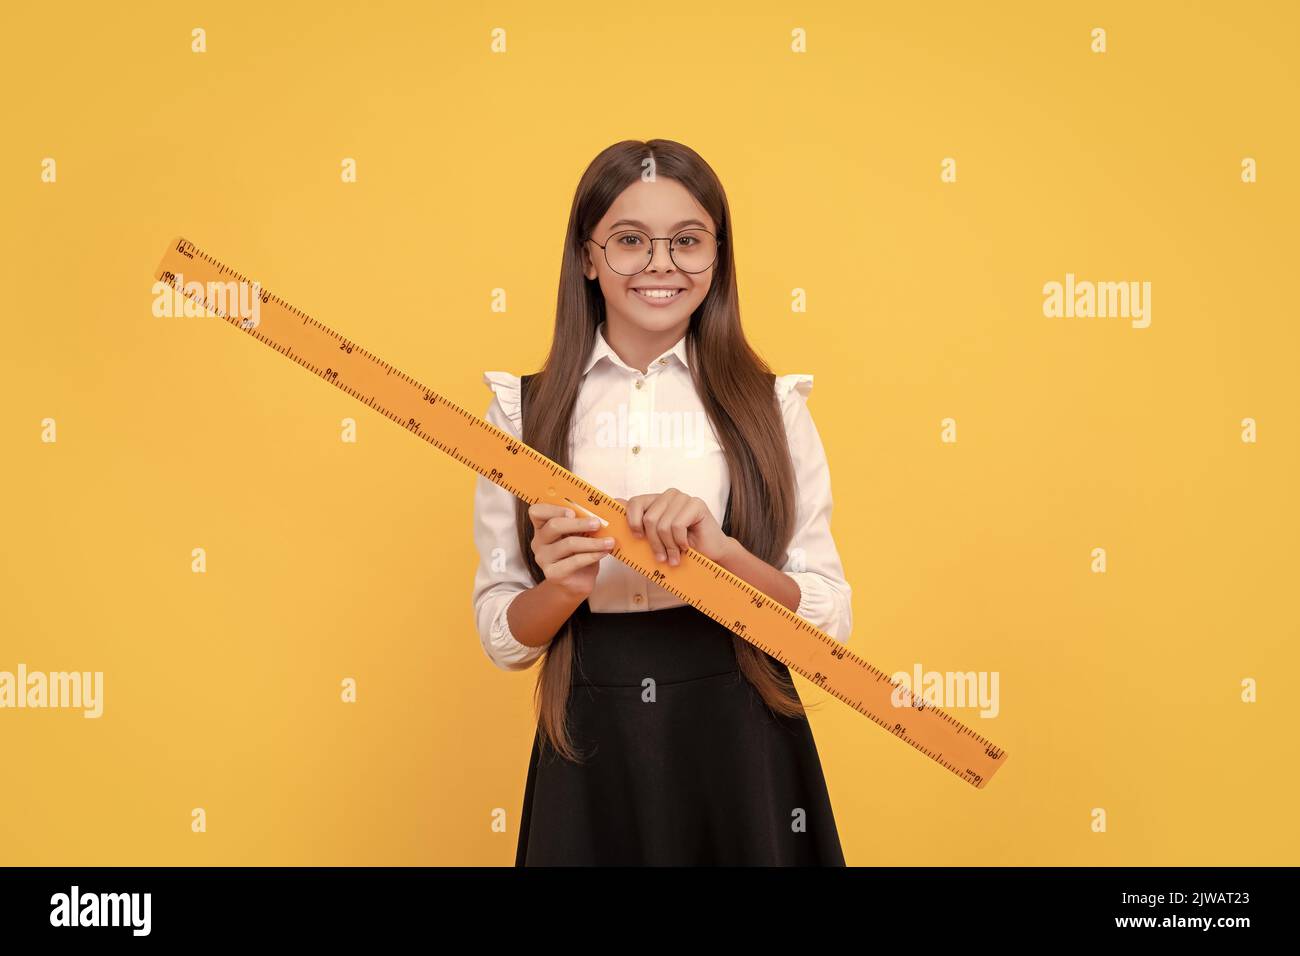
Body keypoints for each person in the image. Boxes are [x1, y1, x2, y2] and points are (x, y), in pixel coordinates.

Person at [470, 139, 853, 865]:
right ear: (587, 256)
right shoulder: (522, 414)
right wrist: (564, 586)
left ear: (718, 255)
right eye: (628, 241)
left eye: (686, 241)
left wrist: (725, 554)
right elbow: (502, 633)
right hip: (591, 736)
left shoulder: (774, 408)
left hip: (743, 732)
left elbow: (828, 617)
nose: (660, 264)